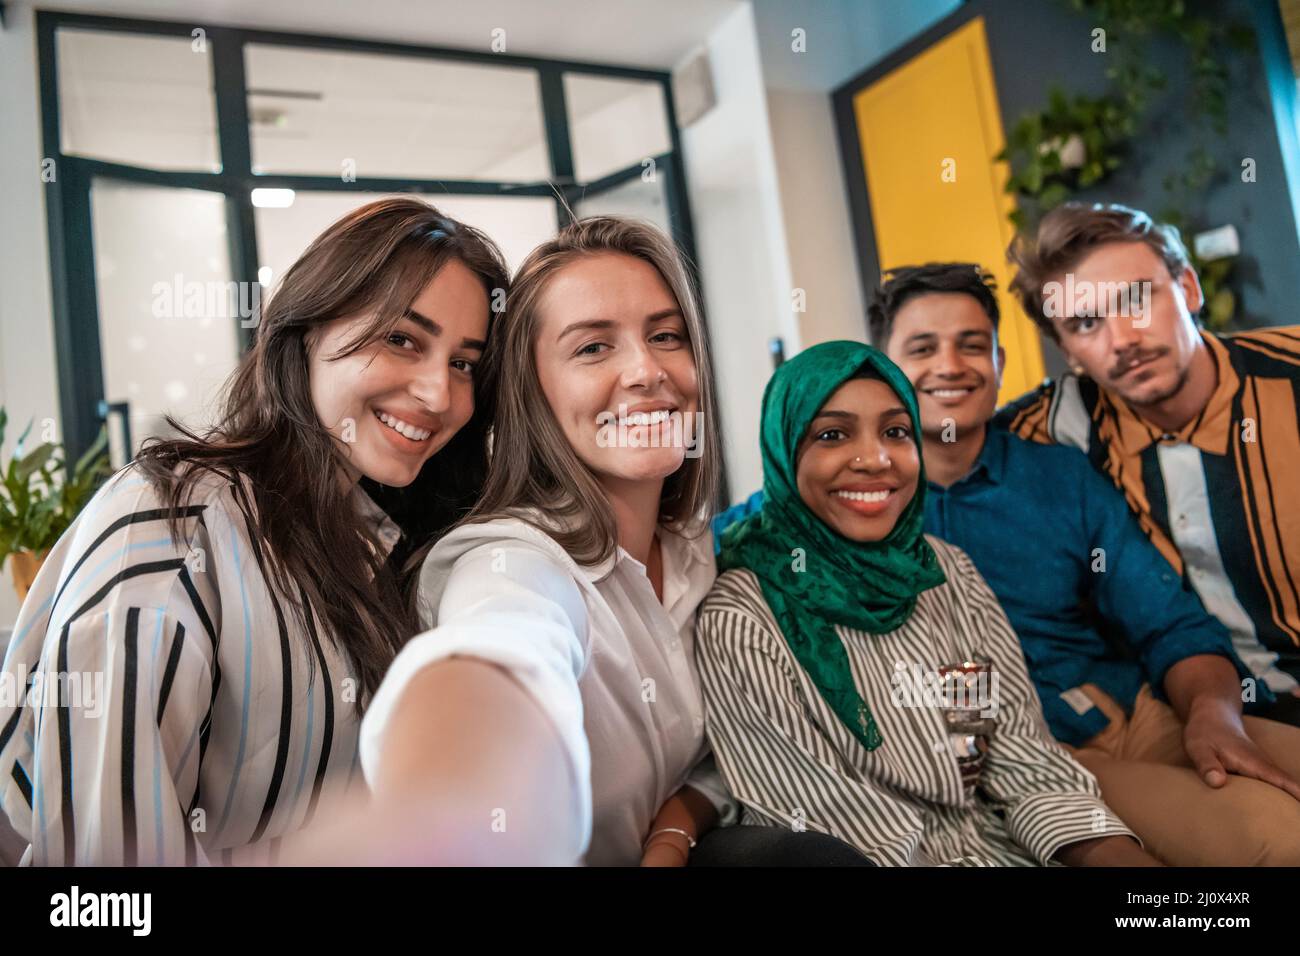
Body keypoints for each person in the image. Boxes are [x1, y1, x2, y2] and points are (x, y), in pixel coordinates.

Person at [0, 198, 508, 865]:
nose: (440, 395)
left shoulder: (370, 533)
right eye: (403, 339)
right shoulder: (169, 529)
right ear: (305, 330)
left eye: (464, 363)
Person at [358, 217, 867, 866]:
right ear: (532, 395)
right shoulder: (511, 562)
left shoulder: (698, 550)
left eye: (666, 336)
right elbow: (502, 645)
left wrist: (675, 830)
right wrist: (454, 773)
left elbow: (724, 752)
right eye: (593, 348)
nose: (646, 371)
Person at [877, 261, 1300, 865]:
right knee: (1278, 843)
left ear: (998, 364)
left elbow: (1168, 622)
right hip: (1043, 752)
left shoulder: (1058, 476)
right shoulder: (856, 497)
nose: (949, 365)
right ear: (883, 372)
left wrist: (1212, 713)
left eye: (971, 346)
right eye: (923, 348)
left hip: (1149, 709)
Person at [696, 340, 1157, 866]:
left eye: (896, 431)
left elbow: (1022, 762)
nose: (876, 459)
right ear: (783, 451)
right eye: (832, 434)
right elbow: (839, 828)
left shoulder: (946, 574)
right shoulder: (744, 618)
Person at [997, 202, 1300, 723]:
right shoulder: (1054, 428)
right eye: (1086, 323)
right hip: (1202, 714)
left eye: (1136, 300)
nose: (1123, 341)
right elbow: (942, 455)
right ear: (1067, 350)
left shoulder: (1290, 378)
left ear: (1188, 288)